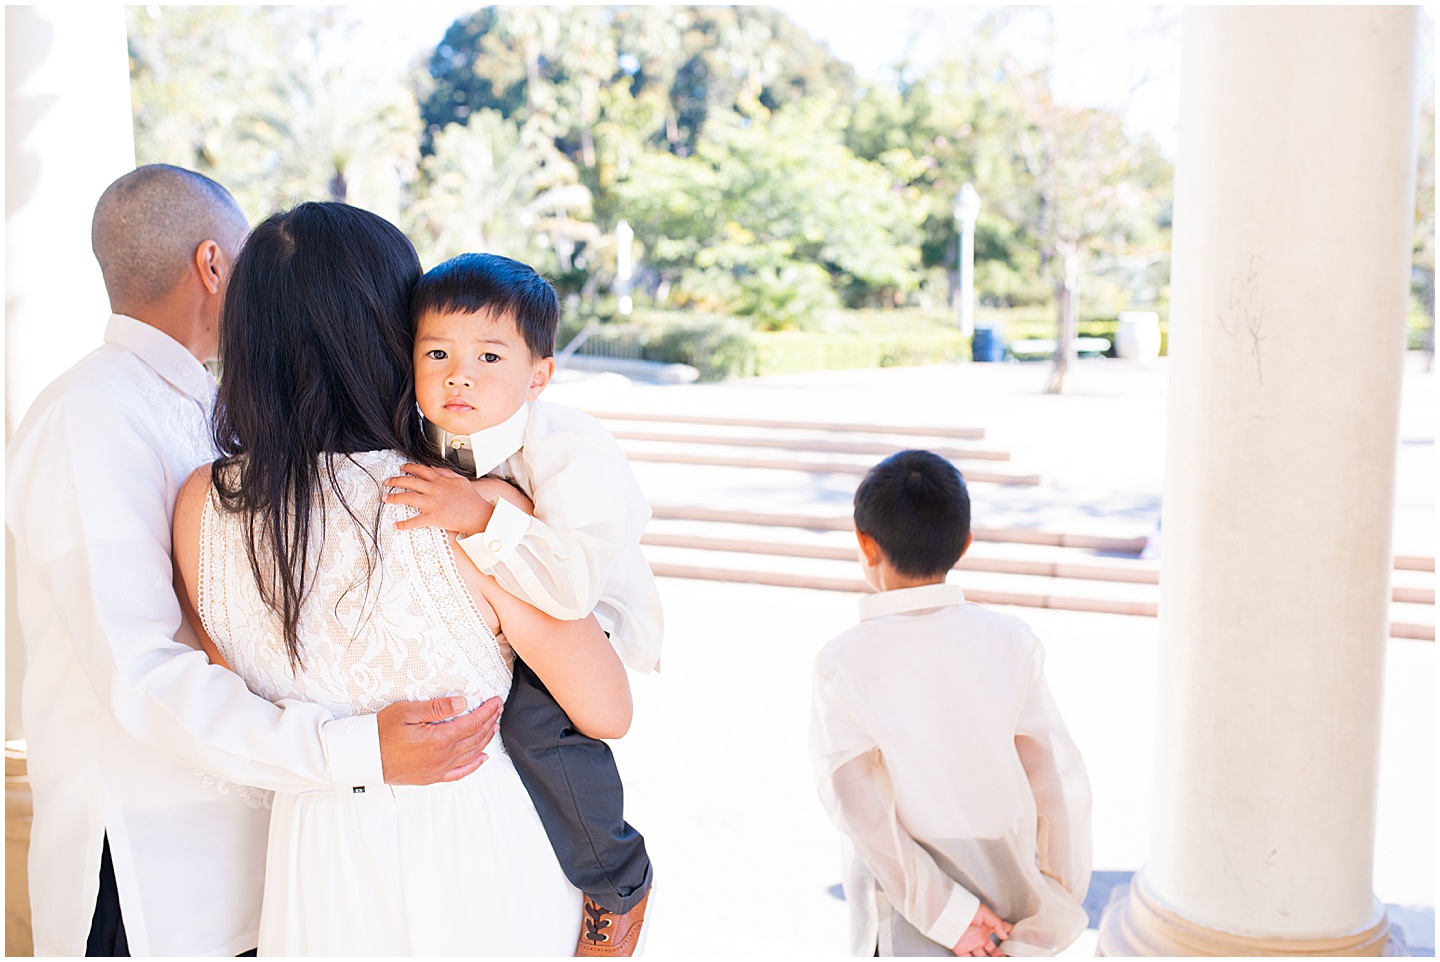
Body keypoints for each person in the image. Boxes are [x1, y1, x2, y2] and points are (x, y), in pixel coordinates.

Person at [6, 167, 498, 957]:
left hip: (281, 862)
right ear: (212, 265)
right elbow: (143, 673)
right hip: (153, 880)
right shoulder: (89, 416)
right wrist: (357, 748)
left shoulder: (209, 409)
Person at [171, 201, 631, 955]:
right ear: (398, 332)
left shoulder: (202, 507)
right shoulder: (467, 507)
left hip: (316, 854)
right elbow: (606, 709)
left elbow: (236, 690)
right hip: (479, 852)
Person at [383, 252, 662, 955]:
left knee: (538, 725)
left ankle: (618, 879)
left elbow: (569, 588)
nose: (460, 374)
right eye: (437, 351)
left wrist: (480, 514)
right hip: (515, 596)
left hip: (586, 604)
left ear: (539, 374)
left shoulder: (570, 448)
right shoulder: (420, 434)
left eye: (490, 356)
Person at [809, 450, 1093, 957]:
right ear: (965, 543)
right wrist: (1054, 907)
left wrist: (949, 914)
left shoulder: (844, 661)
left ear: (864, 545)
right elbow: (1053, 780)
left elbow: (860, 808)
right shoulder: (1011, 640)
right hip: (1013, 896)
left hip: (908, 912)